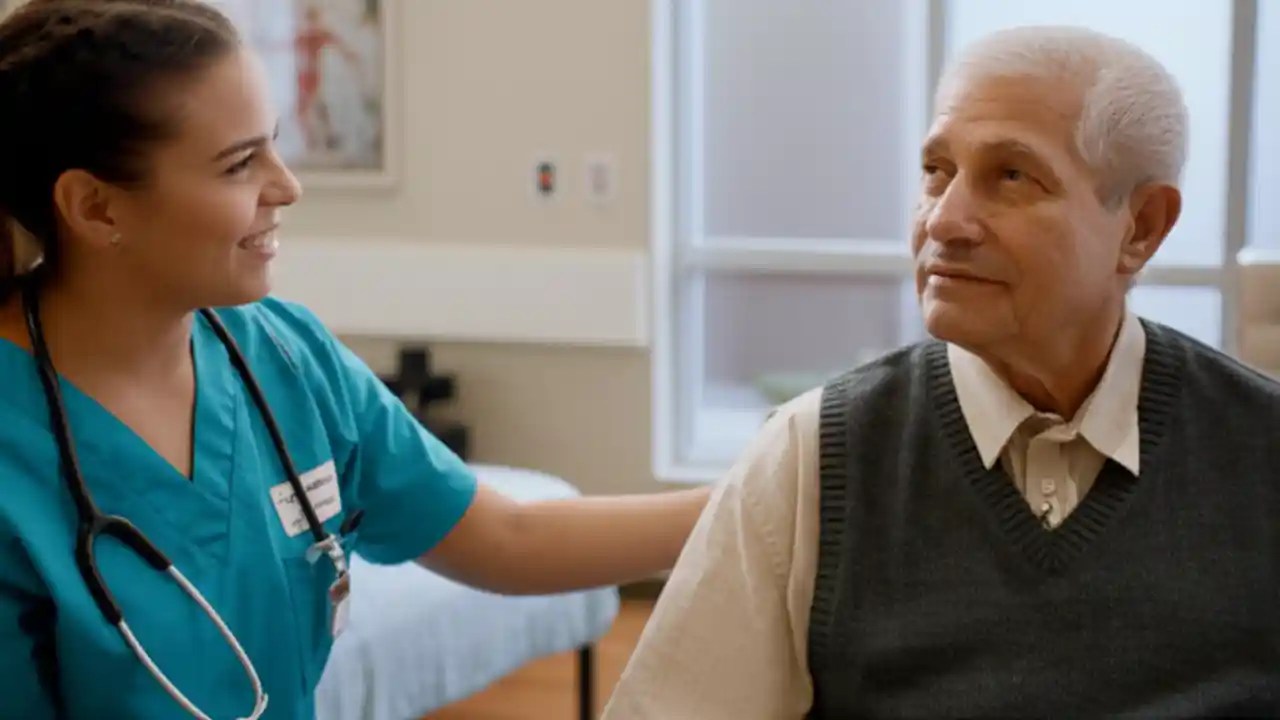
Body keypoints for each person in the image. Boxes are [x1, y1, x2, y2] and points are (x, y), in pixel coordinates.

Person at [0, 2, 711, 718]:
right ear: (95, 208)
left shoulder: (286, 356)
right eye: (240, 163)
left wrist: (772, 494)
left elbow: (506, 538)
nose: (286, 186)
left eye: (273, 146)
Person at [603, 24, 1280, 719]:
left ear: (1140, 227)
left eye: (1011, 176)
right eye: (937, 171)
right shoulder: (813, 456)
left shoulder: (1263, 450)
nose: (944, 220)